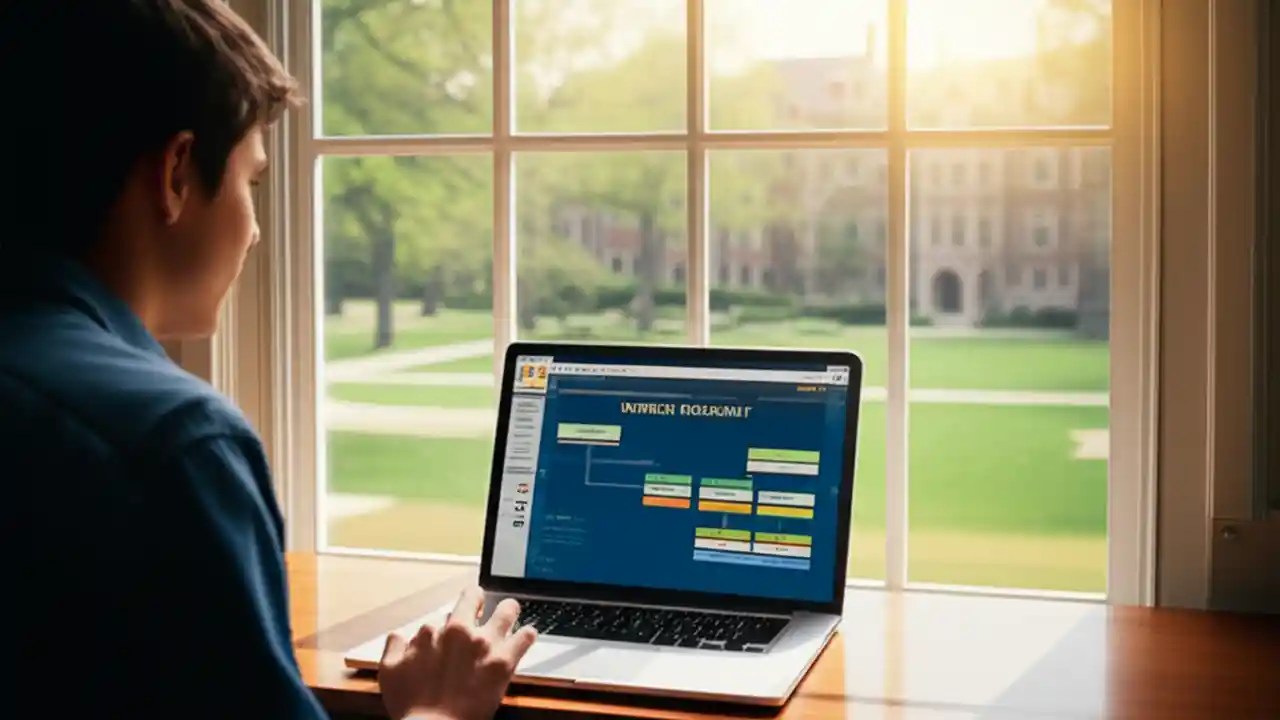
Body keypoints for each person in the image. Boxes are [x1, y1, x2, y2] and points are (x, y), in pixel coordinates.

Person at [0, 2, 535, 718]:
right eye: (252, 183)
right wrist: (437, 710)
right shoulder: (173, 446)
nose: (254, 233)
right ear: (177, 174)